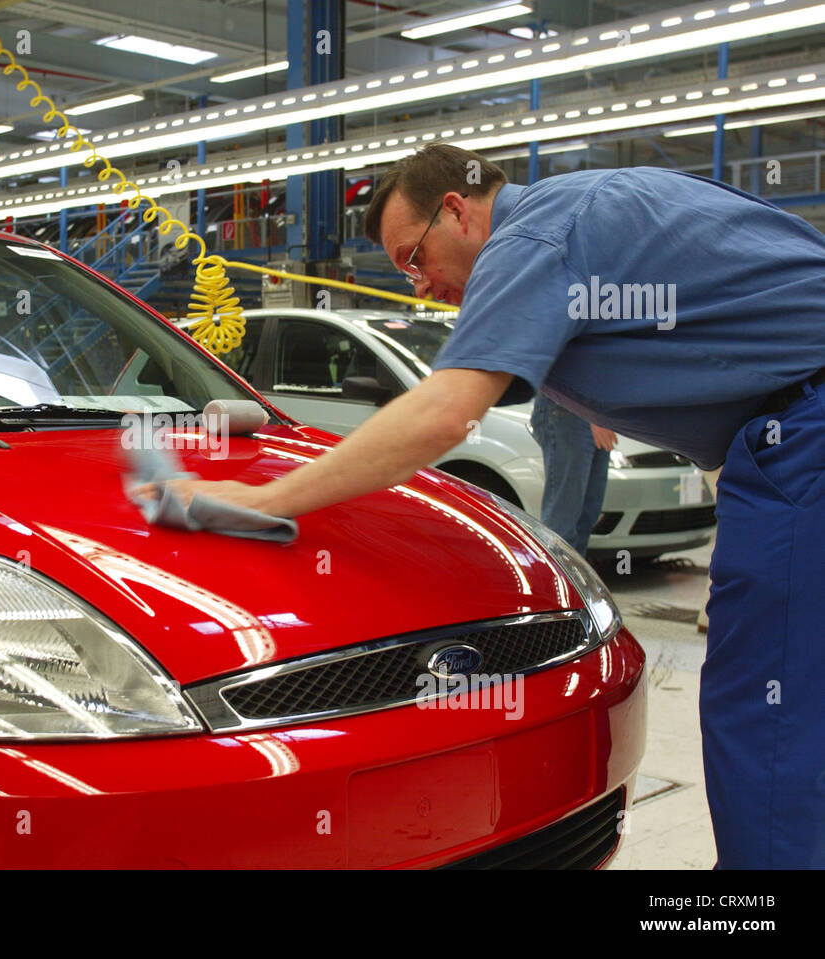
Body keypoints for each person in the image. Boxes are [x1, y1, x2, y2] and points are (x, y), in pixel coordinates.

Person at [145, 144, 825, 869]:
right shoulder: (586, 211)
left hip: (803, 439)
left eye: (413, 257)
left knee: (763, 708)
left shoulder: (531, 238)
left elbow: (445, 413)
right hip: (785, 430)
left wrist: (262, 496)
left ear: (457, 211)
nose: (421, 282)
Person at [530, 393, 617, 556]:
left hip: (595, 412)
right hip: (570, 410)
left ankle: (574, 580)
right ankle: (555, 579)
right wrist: (594, 415)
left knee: (585, 517)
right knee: (563, 521)